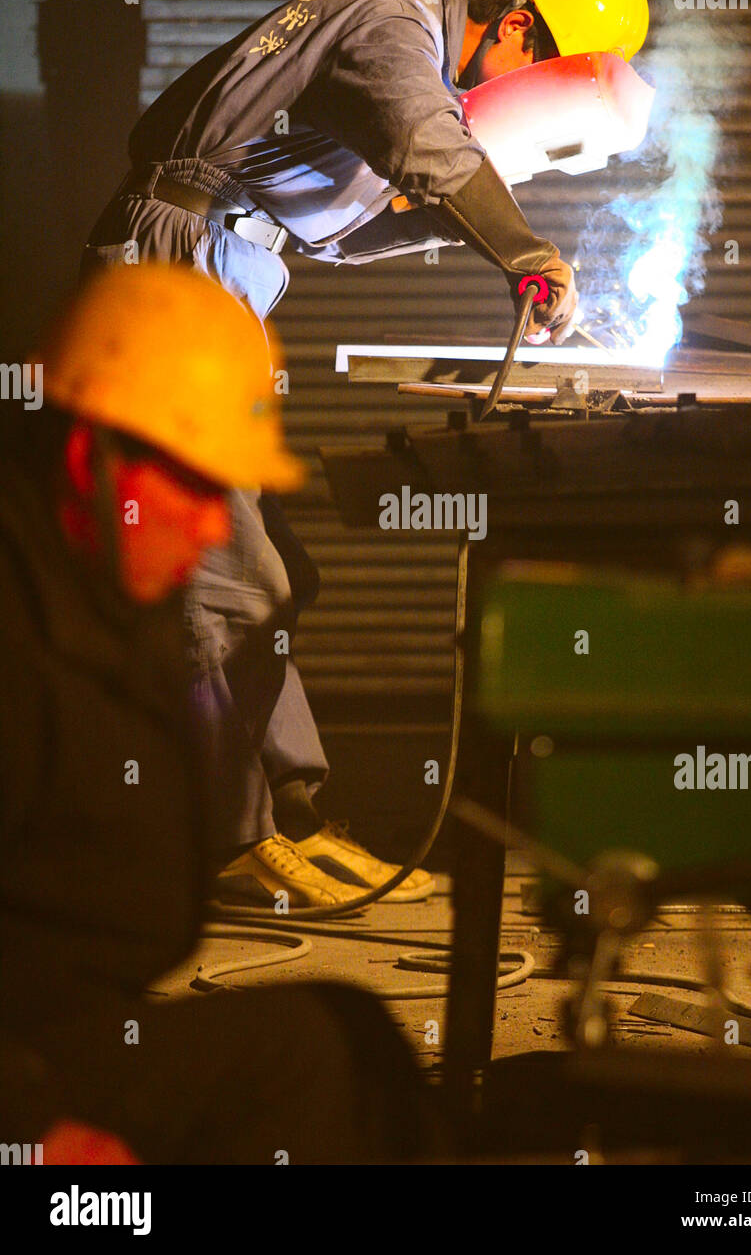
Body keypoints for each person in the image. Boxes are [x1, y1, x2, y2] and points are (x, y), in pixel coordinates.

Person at [81, 0, 649, 909]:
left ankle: (293, 816)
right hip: (168, 274)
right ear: (515, 25)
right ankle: (234, 839)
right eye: (535, 76)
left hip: (218, 280)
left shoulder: (391, 46)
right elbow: (432, 150)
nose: (511, 103)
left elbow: (338, 233)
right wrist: (521, 250)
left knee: (275, 572)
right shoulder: (390, 26)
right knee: (225, 576)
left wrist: (470, 229)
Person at [0, 263, 444, 1163]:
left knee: (346, 1044)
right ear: (91, 463)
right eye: (199, 489)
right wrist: (29, 1127)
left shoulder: (104, 598)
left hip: (60, 1035)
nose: (214, 530)